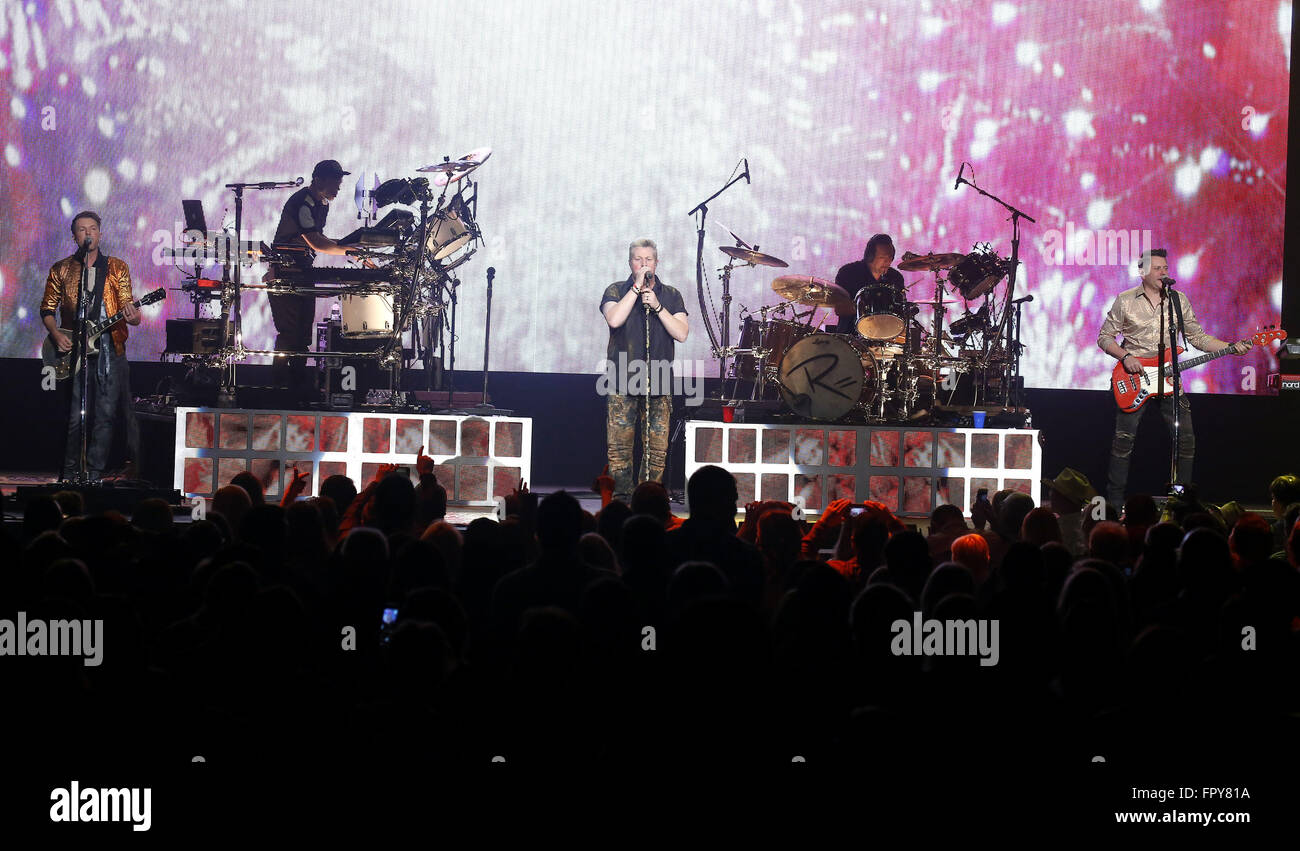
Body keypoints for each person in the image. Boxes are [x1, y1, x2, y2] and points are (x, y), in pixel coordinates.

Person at [1097, 248, 1250, 506]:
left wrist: (1230, 346)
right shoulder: (1125, 300)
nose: (1163, 272)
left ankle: (1181, 502)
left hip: (1169, 379)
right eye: (1157, 268)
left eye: (1165, 268)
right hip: (1135, 379)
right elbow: (1104, 337)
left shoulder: (1178, 300)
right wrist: (1125, 357)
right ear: (1142, 272)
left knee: (1186, 440)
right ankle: (1113, 504)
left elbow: (1197, 338)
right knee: (1123, 443)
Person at [41, 210, 142, 481]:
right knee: (76, 417)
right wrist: (56, 334)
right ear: (74, 236)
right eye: (82, 229)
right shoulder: (61, 268)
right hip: (76, 350)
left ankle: (94, 474)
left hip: (111, 349)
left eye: (93, 228)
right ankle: (71, 471)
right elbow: (47, 309)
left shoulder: (117, 267)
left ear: (100, 232)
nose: (88, 233)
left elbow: (128, 307)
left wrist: (134, 316)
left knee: (106, 415)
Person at [600, 238, 689, 500]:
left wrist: (658, 306)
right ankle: (621, 500)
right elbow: (615, 319)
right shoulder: (616, 290)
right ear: (630, 263)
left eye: (648, 259)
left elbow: (681, 333)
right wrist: (636, 290)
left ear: (657, 262)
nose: (644, 263)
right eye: (638, 259)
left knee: (656, 451)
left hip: (659, 381)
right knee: (619, 449)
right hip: (621, 380)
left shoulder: (671, 294)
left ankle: (648, 501)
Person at [266, 159, 353, 404]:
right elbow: (316, 241)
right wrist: (349, 250)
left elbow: (319, 238)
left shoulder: (321, 203)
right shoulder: (303, 202)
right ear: (320, 180)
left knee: (302, 334)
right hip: (286, 272)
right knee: (289, 332)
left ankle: (297, 387)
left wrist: (349, 246)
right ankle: (281, 388)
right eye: (336, 181)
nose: (339, 186)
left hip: (302, 271)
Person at [832, 233, 906, 335]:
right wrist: (867, 306)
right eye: (882, 257)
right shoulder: (848, 273)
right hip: (851, 337)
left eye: (890, 257)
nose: (887, 261)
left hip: (886, 339)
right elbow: (840, 309)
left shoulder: (895, 277)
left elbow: (900, 313)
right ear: (870, 257)